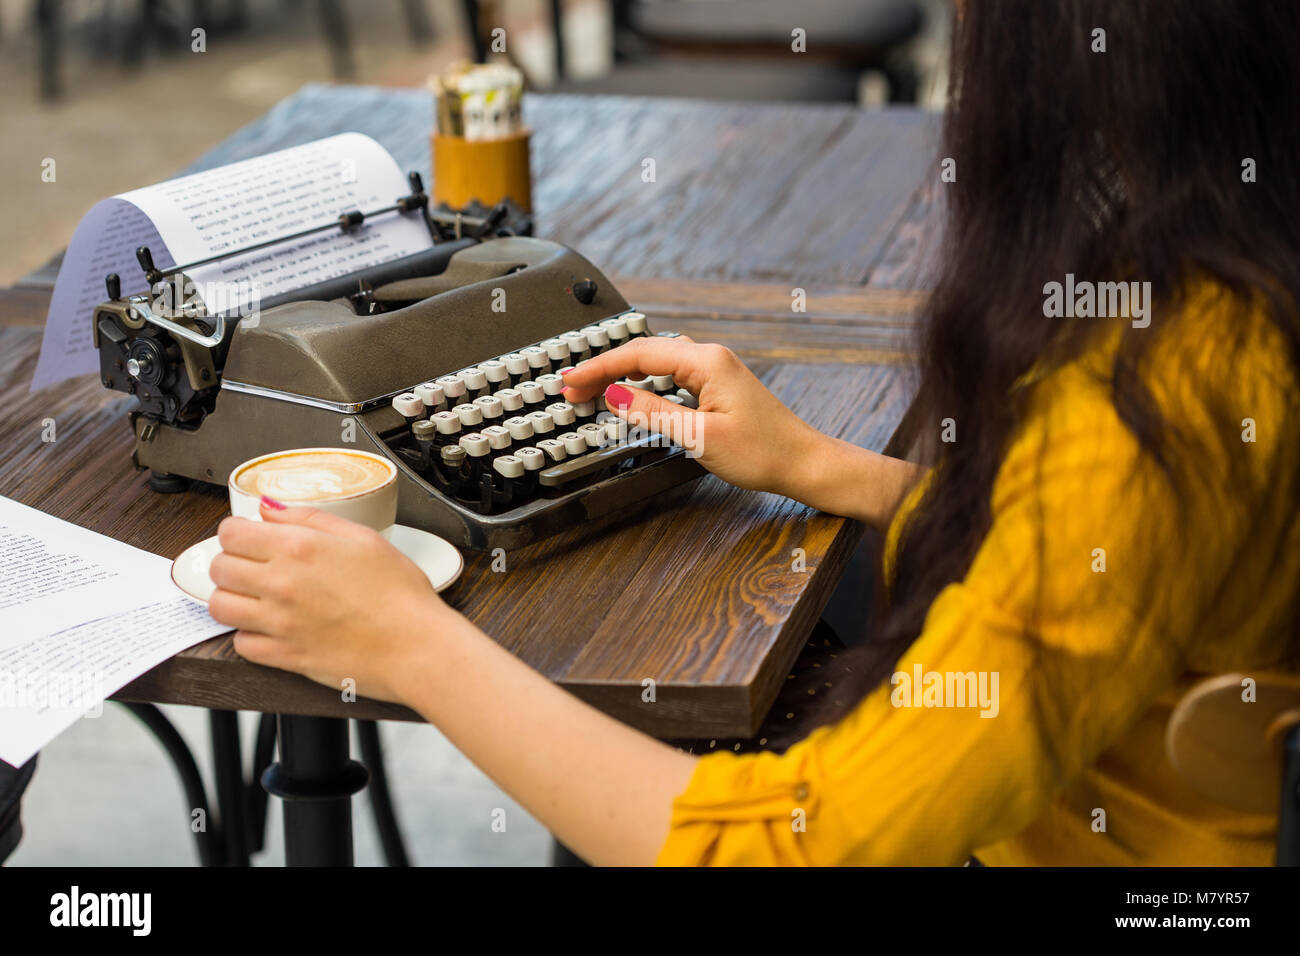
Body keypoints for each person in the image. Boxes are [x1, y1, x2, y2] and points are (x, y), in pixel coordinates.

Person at [206, 0, 1300, 865]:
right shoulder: (1248, 289)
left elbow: (796, 840)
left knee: (645, 737)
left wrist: (411, 643)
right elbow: (1108, 574)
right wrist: (825, 468)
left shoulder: (1153, 392)